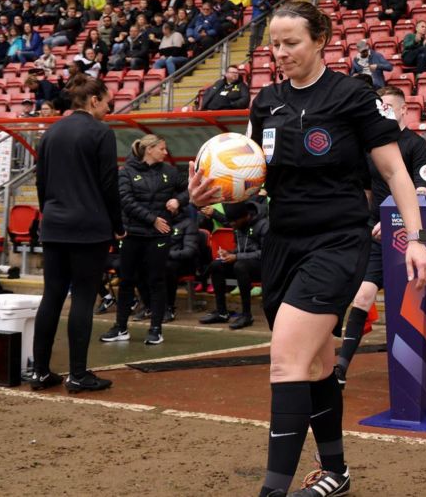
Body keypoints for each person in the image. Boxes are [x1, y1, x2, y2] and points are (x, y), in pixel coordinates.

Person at [188, 0, 426, 497]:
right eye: (274, 44)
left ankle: (272, 490)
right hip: (283, 244)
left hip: (337, 242)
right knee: (317, 366)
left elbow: (393, 172)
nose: (280, 53)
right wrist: (212, 202)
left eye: (291, 42)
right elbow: (256, 182)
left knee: (285, 363)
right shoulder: (266, 102)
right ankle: (336, 473)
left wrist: (416, 238)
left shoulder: (352, 96)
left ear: (320, 40)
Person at [31, 74, 125, 393]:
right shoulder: (101, 132)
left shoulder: (51, 131)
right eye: (108, 101)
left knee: (52, 297)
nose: (110, 107)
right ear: (94, 100)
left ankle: (40, 372)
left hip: (54, 225)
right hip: (89, 227)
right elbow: (109, 184)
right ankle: (77, 374)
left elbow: (40, 182)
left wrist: (51, 214)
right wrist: (118, 224)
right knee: (83, 298)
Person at [335, 86, 426, 387]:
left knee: (413, 304)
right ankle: (340, 367)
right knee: (362, 296)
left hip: (409, 236)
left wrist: (395, 221)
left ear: (404, 110)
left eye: (390, 106)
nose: (385, 111)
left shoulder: (416, 145)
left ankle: (423, 363)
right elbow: (365, 191)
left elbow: (422, 191)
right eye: (382, 107)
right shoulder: (372, 146)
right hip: (375, 236)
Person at [100, 134, 188, 345]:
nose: (166, 153)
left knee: (157, 281)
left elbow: (190, 188)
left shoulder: (170, 171)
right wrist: (153, 220)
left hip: (159, 236)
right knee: (127, 281)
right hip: (133, 235)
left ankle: (156, 329)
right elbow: (126, 201)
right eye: (162, 149)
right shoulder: (127, 172)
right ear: (150, 149)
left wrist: (178, 200)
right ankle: (121, 327)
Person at [198, 200, 267, 329]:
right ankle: (222, 312)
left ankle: (247, 315)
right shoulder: (238, 226)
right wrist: (228, 253)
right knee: (216, 265)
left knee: (240, 266)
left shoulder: (263, 225)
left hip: (262, 267)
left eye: (234, 222)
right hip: (243, 263)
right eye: (230, 222)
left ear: (246, 216)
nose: (232, 225)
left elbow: (266, 253)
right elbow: (239, 249)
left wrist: (236, 256)